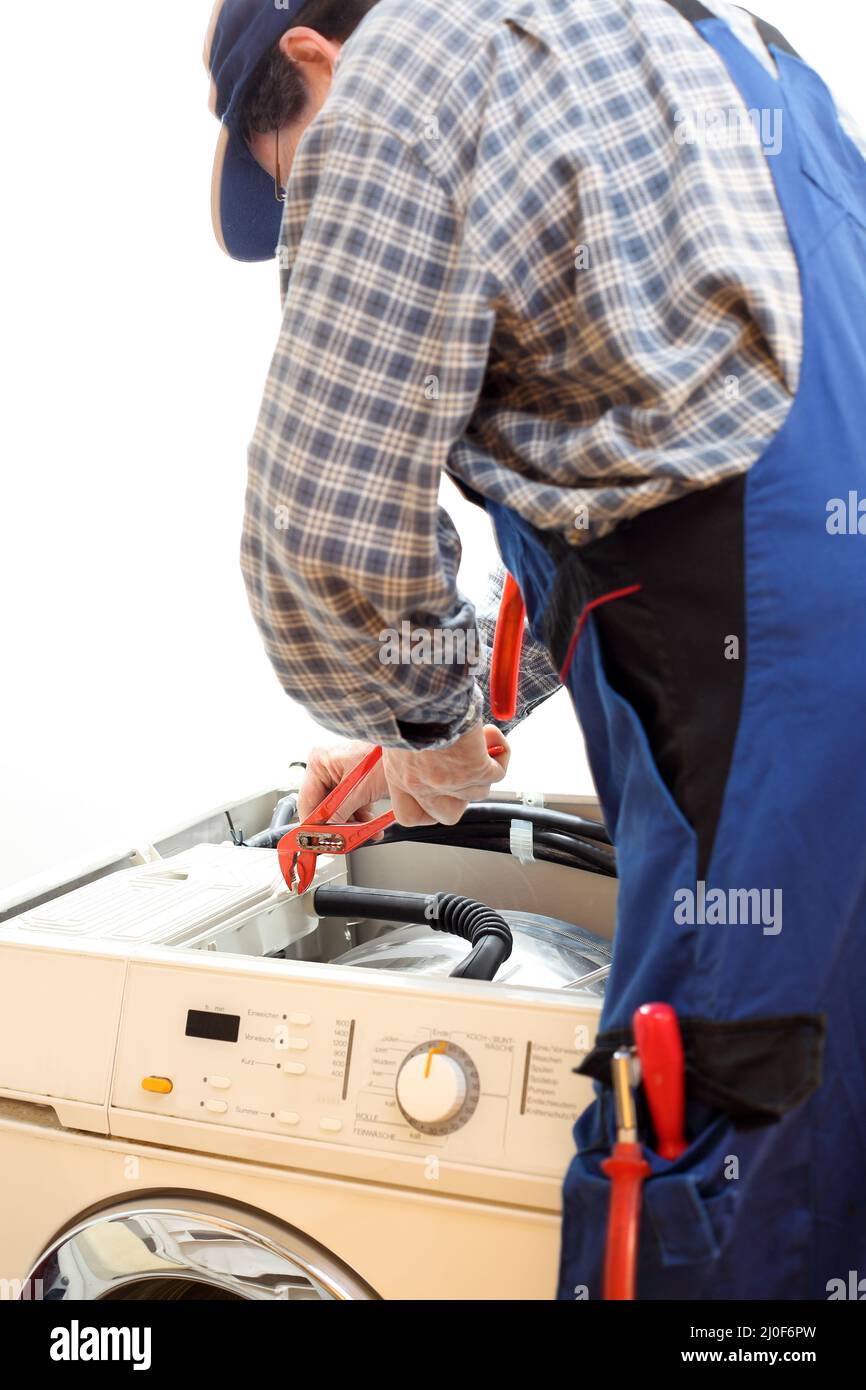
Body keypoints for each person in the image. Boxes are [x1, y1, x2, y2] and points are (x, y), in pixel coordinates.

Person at [205, 0, 866, 1299]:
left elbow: (325, 528)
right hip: (802, 668)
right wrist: (436, 714)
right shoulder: (729, 48)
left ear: (311, 57)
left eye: (298, 179)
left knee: (704, 1126)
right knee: (822, 1135)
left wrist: (426, 725)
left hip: (770, 698)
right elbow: (659, 463)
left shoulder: (420, 53)